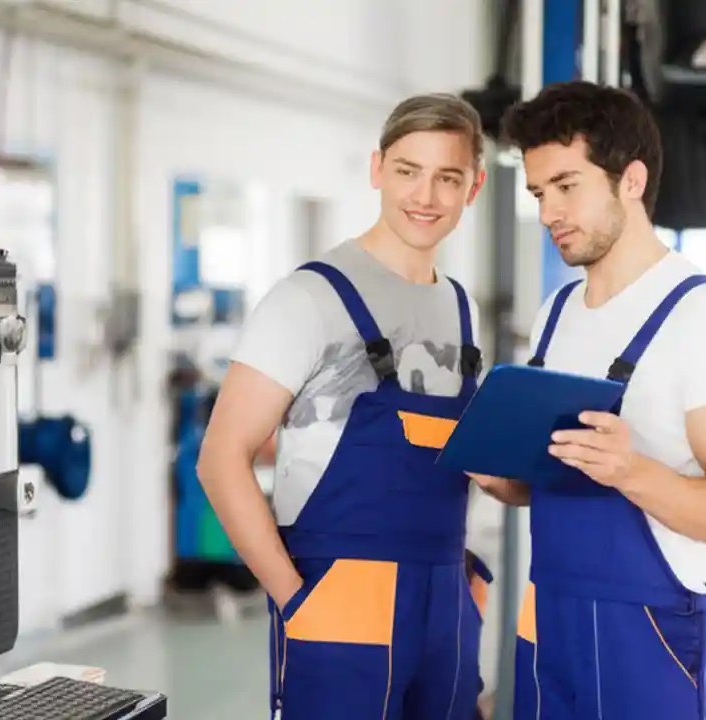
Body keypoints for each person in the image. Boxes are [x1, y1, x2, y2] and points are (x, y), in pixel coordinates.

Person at [196, 93, 493, 720]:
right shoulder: (308, 298)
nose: (426, 196)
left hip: (445, 603)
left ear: (475, 187)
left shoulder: (462, 310)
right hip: (338, 603)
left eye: (449, 178)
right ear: (376, 168)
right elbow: (221, 458)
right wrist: (295, 601)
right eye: (409, 171)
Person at [476, 81, 706, 719]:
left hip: (651, 634)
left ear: (630, 180)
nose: (549, 211)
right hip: (546, 617)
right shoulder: (557, 312)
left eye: (567, 185)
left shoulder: (702, 316)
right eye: (538, 193)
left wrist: (631, 471)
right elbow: (553, 475)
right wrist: (506, 481)